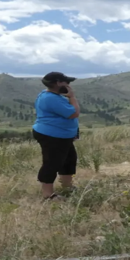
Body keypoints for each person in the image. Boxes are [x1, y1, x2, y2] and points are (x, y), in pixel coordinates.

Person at [33, 71, 80, 201]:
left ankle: (67, 186)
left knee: (69, 160)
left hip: (61, 135)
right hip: (53, 135)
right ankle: (48, 195)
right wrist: (72, 97)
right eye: (67, 82)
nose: (69, 85)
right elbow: (74, 113)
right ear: (58, 83)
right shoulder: (50, 98)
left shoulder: (48, 95)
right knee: (52, 163)